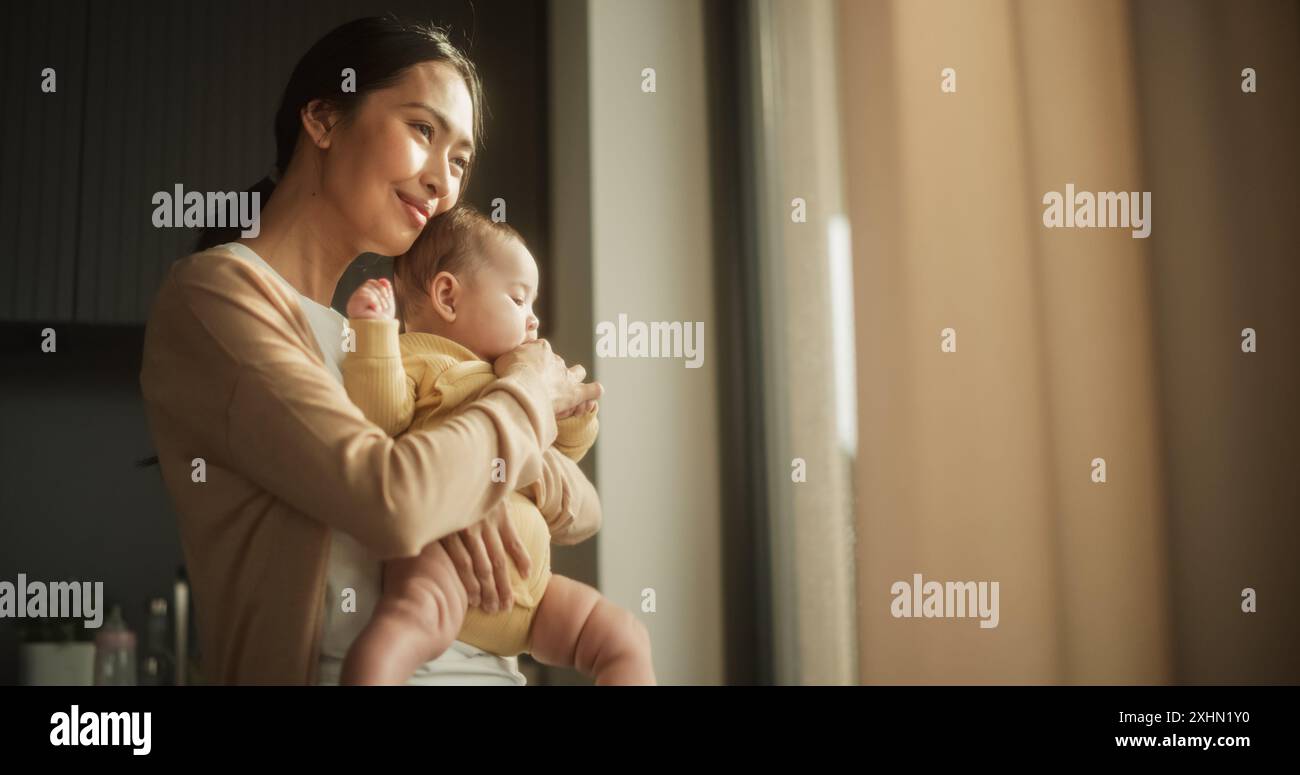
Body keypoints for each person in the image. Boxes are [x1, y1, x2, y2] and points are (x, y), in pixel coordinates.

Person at [139, 15, 601, 685]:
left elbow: (555, 503)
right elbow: (393, 499)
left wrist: (470, 471)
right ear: (324, 119)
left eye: (462, 159)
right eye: (422, 130)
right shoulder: (218, 297)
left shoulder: (382, 346)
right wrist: (528, 390)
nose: (444, 180)